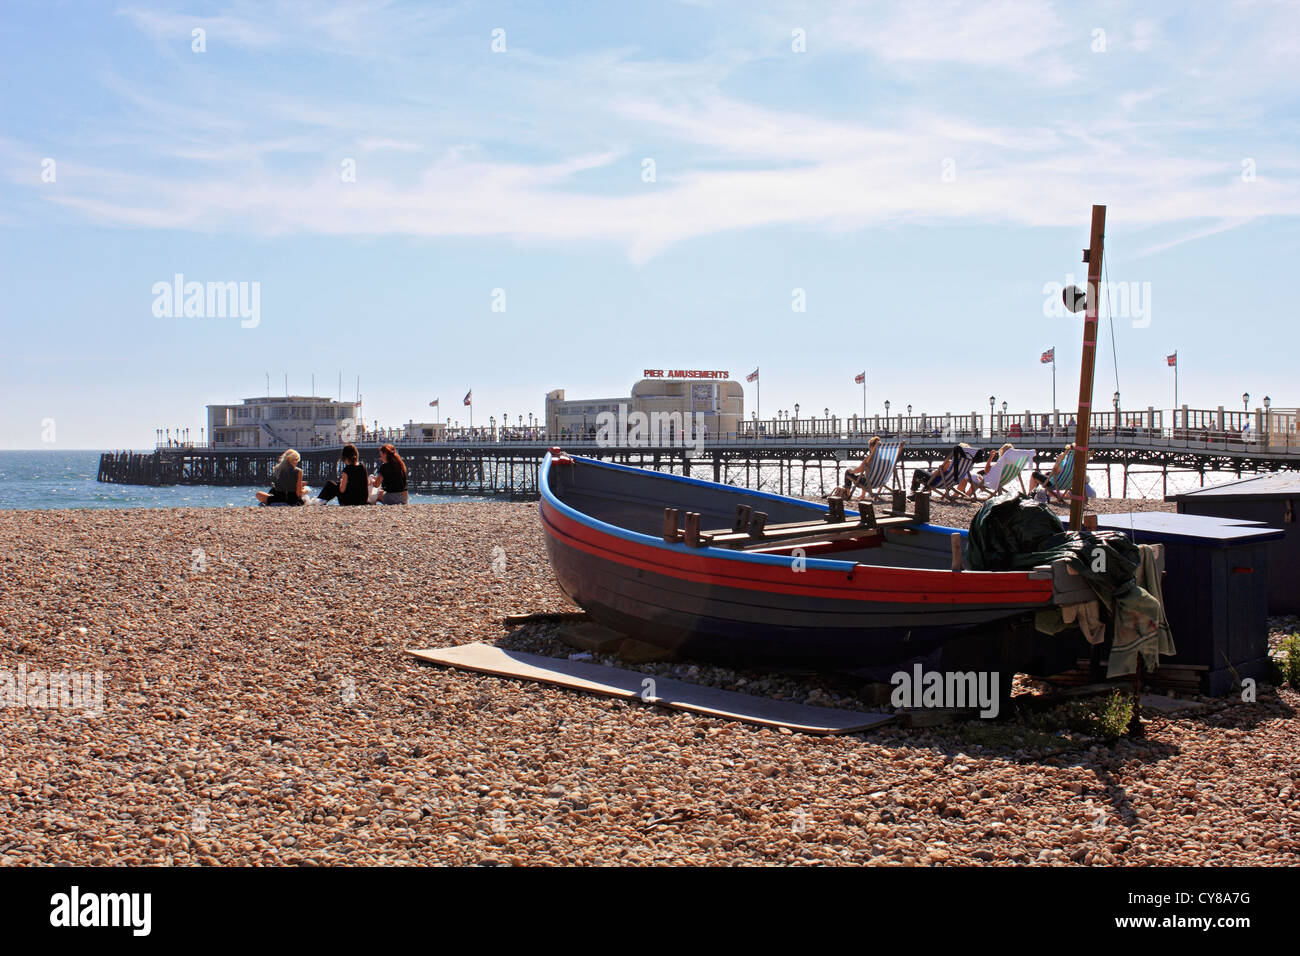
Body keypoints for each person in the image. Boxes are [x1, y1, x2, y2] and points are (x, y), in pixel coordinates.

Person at [832, 436, 882, 500]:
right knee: (865, 475)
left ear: (872, 447)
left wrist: (851, 471)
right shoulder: (883, 459)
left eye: (869, 446)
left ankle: (847, 494)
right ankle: (863, 495)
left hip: (868, 482)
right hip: (879, 481)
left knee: (848, 472)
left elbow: (860, 469)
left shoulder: (869, 458)